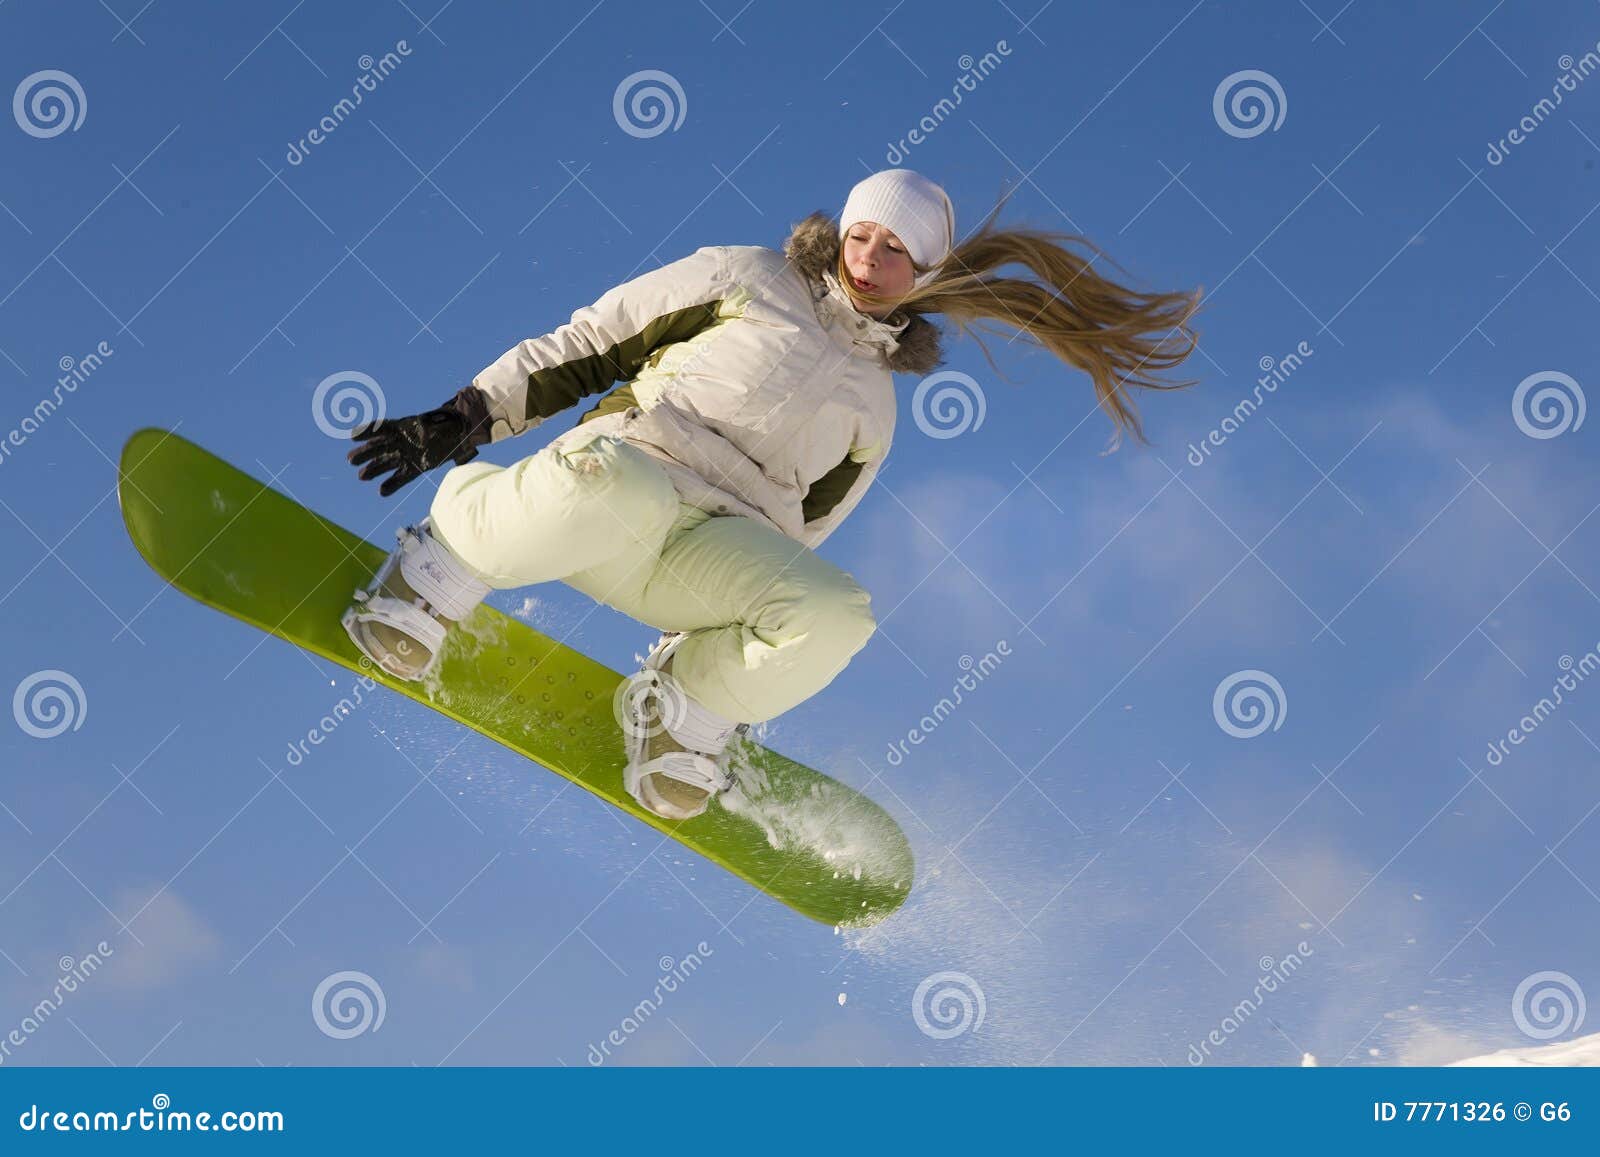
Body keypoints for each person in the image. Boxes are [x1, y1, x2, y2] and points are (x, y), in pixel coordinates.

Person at [341, 168, 1201, 821]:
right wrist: (471, 413)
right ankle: (443, 561)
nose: (869, 257)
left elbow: (809, 530)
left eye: (894, 248)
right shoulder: (747, 275)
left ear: (925, 273)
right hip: (606, 485)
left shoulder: (877, 407)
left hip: (699, 556)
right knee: (626, 489)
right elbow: (593, 341)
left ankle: (683, 706)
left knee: (836, 611)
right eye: (862, 234)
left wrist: (732, 626)